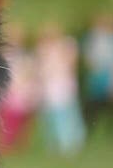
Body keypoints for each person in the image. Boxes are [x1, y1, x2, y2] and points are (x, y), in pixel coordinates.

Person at [36, 22, 86, 155]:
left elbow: (71, 62)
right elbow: (42, 70)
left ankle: (70, 143)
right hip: (49, 88)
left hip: (63, 86)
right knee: (51, 118)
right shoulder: (43, 50)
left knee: (66, 115)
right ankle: (55, 144)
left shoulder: (67, 45)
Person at [83, 14, 113, 137]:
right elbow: (89, 57)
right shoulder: (97, 39)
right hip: (98, 78)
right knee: (93, 105)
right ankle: (89, 131)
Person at [0, 23, 39, 153]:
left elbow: (30, 73)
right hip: (8, 91)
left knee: (19, 118)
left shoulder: (25, 56)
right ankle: (6, 144)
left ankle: (15, 144)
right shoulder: (3, 55)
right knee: (7, 118)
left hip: (21, 91)